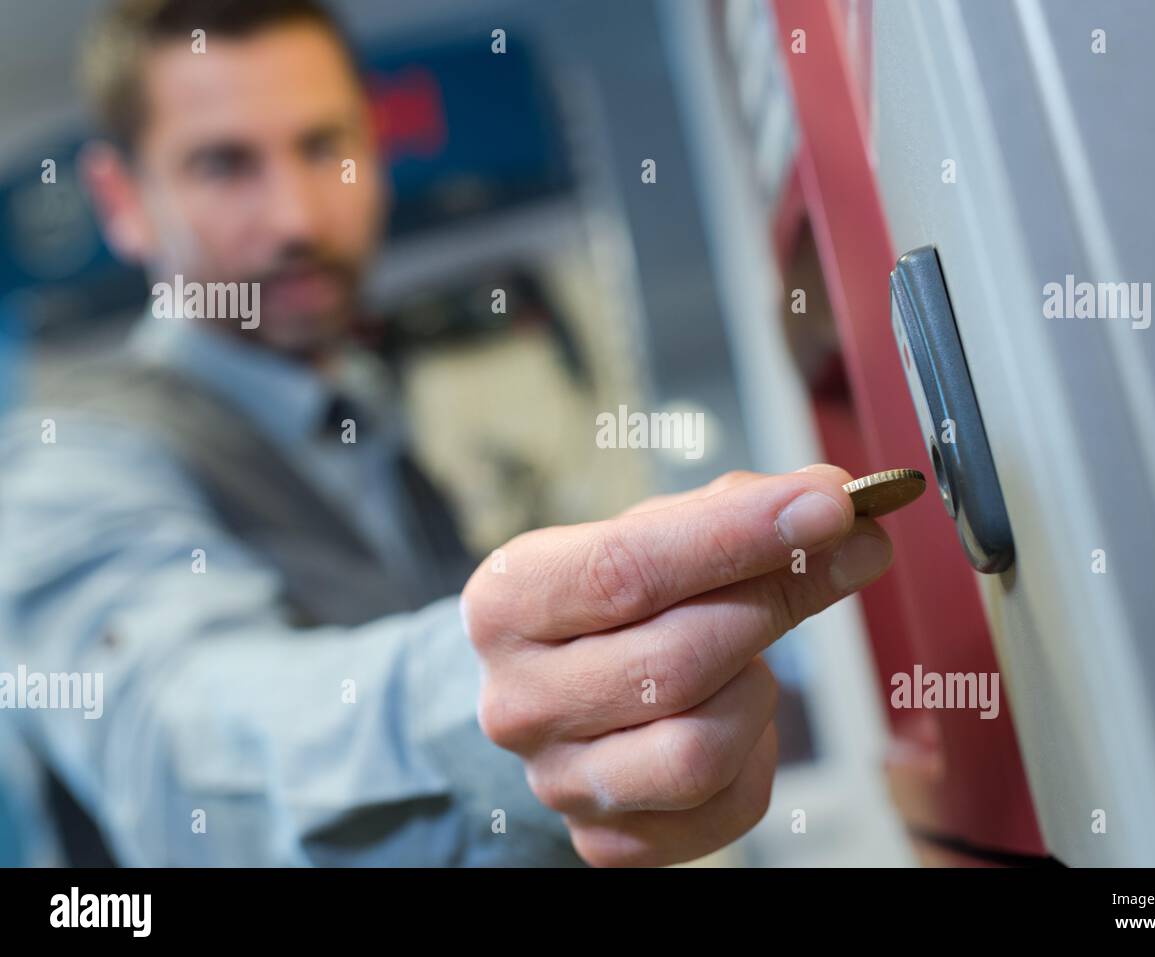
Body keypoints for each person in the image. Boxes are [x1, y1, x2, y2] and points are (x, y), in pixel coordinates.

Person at [0, 0, 893, 867]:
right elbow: (178, 748)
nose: (297, 219)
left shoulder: (378, 442)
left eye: (323, 147)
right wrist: (494, 710)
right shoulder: (68, 464)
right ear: (123, 200)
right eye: (226, 166)